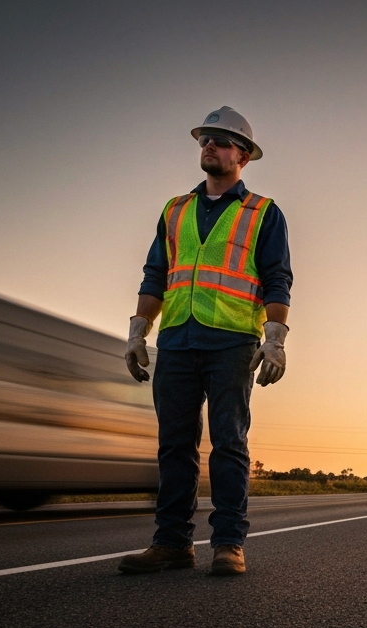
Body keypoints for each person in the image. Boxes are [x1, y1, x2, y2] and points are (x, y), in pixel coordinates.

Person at [119, 106, 294, 576]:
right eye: (203, 140)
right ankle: (172, 543)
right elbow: (155, 273)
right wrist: (139, 332)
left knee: (228, 444)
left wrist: (274, 339)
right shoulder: (175, 210)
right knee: (174, 446)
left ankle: (228, 544)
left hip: (233, 342)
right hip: (176, 341)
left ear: (244, 156)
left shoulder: (262, 213)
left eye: (219, 140)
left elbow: (277, 279)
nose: (209, 146)